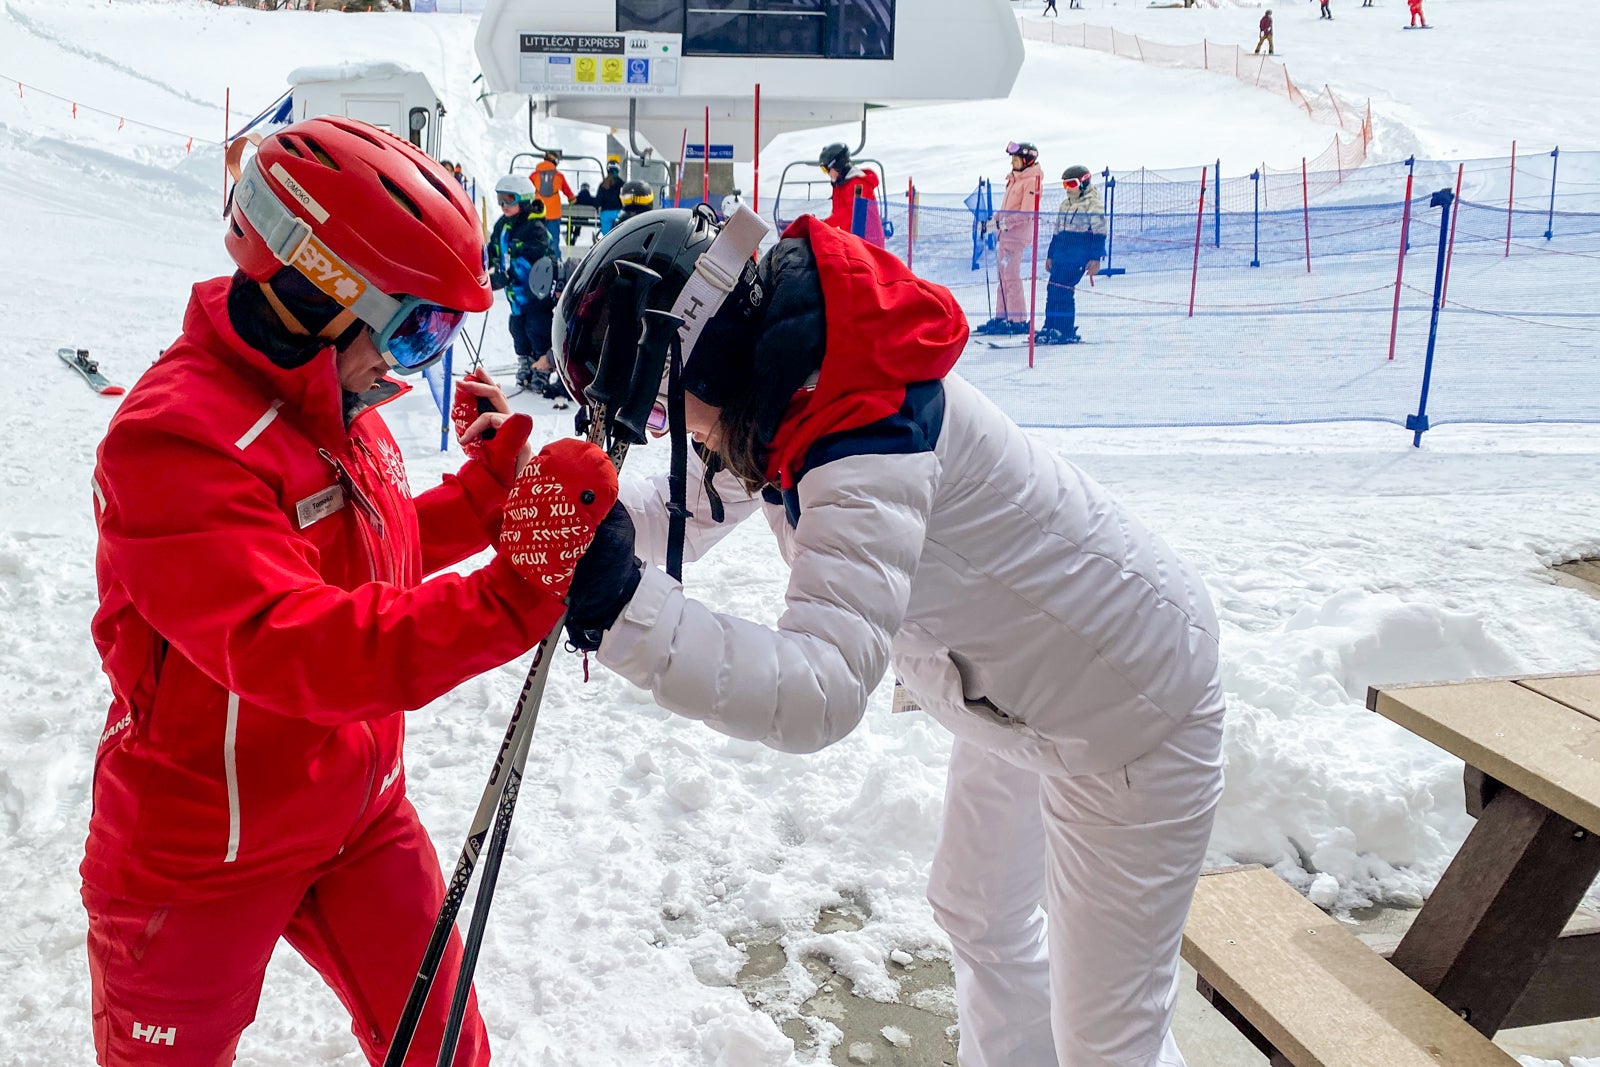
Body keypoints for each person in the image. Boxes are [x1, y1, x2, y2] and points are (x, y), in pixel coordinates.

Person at [549, 205, 1225, 1067]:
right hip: (1027, 686)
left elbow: (820, 689)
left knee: (1108, 1038)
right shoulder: (788, 379)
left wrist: (620, 610)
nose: (667, 435)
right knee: (978, 908)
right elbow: (690, 501)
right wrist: (583, 525)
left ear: (706, 357)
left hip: (1128, 708)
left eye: (659, 412)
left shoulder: (864, 427)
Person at [81, 116, 619, 1067]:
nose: (412, 365)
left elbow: (372, 549)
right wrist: (507, 598)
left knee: (447, 1048)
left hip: (356, 813)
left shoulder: (336, 404)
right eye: (415, 329)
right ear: (314, 286)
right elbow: (297, 641)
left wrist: (485, 495)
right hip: (202, 854)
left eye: (444, 334)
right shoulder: (172, 441)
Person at [490, 173, 562, 396]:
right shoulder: (503, 225)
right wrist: (486, 264)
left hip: (536, 291)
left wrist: (508, 275)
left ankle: (542, 366)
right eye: (500, 199)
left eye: (509, 199)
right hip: (516, 294)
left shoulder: (535, 228)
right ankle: (525, 362)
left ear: (523, 199)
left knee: (537, 327)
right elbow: (493, 249)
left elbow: (533, 257)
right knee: (517, 328)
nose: (503, 205)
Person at [974, 141, 1042, 336]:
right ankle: (1002, 317)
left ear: (1027, 160)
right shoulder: (1015, 179)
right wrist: (991, 222)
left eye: (1016, 158)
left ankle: (1018, 320)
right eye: (1012, 158)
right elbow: (1006, 210)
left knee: (1011, 276)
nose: (1012, 162)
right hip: (1005, 237)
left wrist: (1003, 224)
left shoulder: (1031, 181)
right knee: (1003, 276)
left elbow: (1027, 213)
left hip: (1016, 237)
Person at [1041, 164, 1106, 345]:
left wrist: (1095, 258)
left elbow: (1100, 231)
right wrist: (1050, 255)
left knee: (1064, 291)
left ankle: (1064, 329)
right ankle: (1050, 326)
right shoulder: (1065, 204)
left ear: (1083, 183)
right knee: (1053, 290)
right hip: (1062, 254)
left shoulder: (1092, 203)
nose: (1068, 189)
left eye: (1071, 184)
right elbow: (1057, 232)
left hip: (1079, 254)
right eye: (1065, 185)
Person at [818, 142, 886, 248]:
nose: (827, 173)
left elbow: (851, 213)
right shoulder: (840, 185)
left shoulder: (858, 184)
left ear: (837, 165)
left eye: (826, 169)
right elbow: (838, 212)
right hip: (853, 240)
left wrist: (824, 224)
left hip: (868, 242)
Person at [532, 148, 575, 250]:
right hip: (554, 213)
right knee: (554, 240)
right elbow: (568, 192)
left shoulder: (534, 175)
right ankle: (555, 260)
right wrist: (571, 199)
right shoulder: (558, 176)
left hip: (538, 212)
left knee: (537, 238)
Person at [597, 156, 625, 235]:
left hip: (606, 213)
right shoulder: (622, 184)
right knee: (621, 233)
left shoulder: (603, 185)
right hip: (619, 212)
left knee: (606, 236)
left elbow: (598, 201)